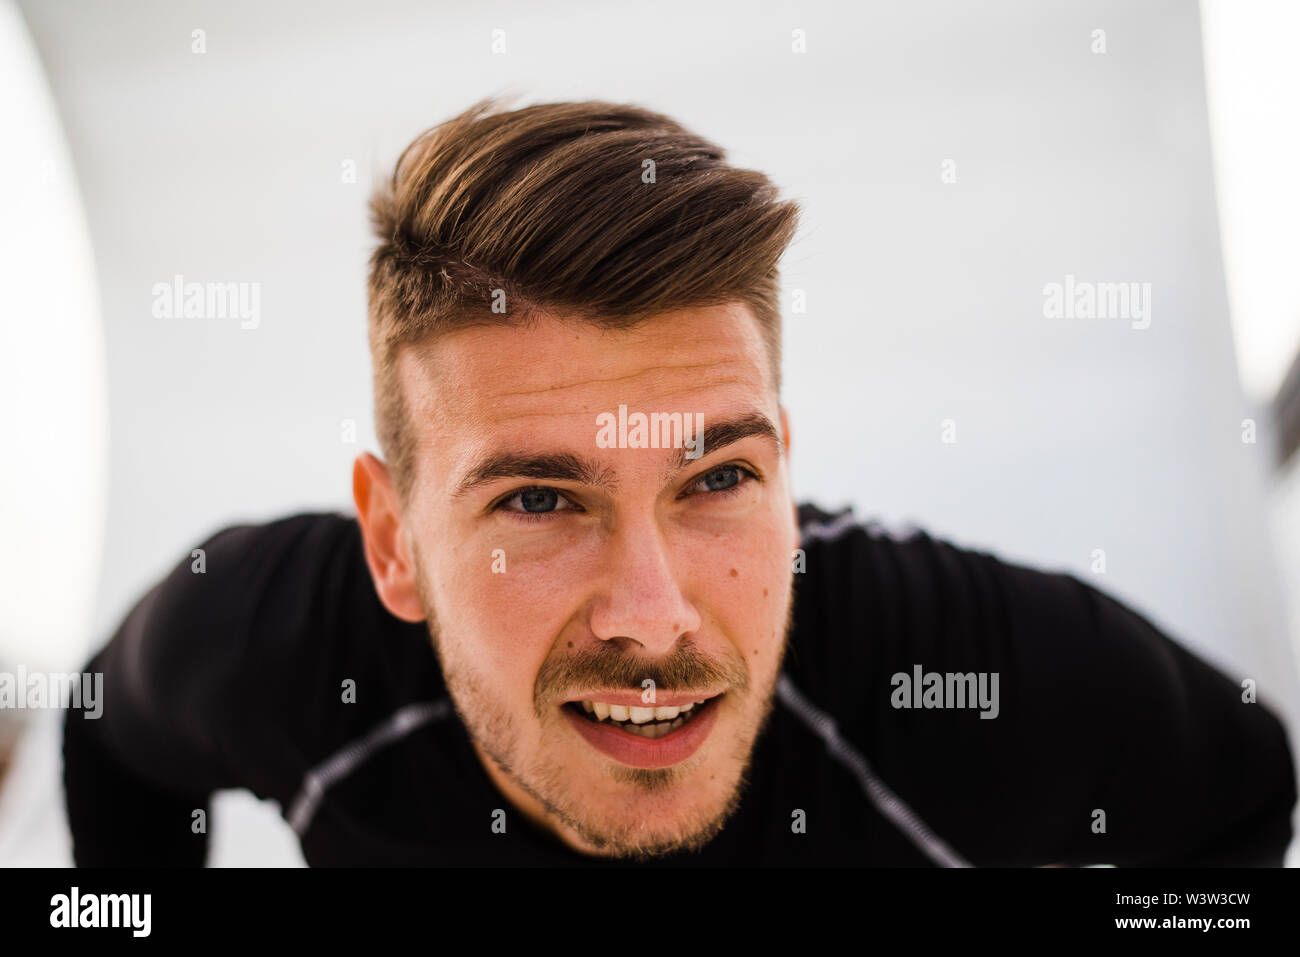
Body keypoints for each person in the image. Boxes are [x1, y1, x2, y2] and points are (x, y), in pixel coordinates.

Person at [63, 97, 1297, 866]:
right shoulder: (278, 646)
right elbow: (111, 739)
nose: (651, 617)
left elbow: (1241, 791)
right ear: (393, 541)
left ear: (786, 475)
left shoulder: (944, 677)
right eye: (539, 501)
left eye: (714, 480)